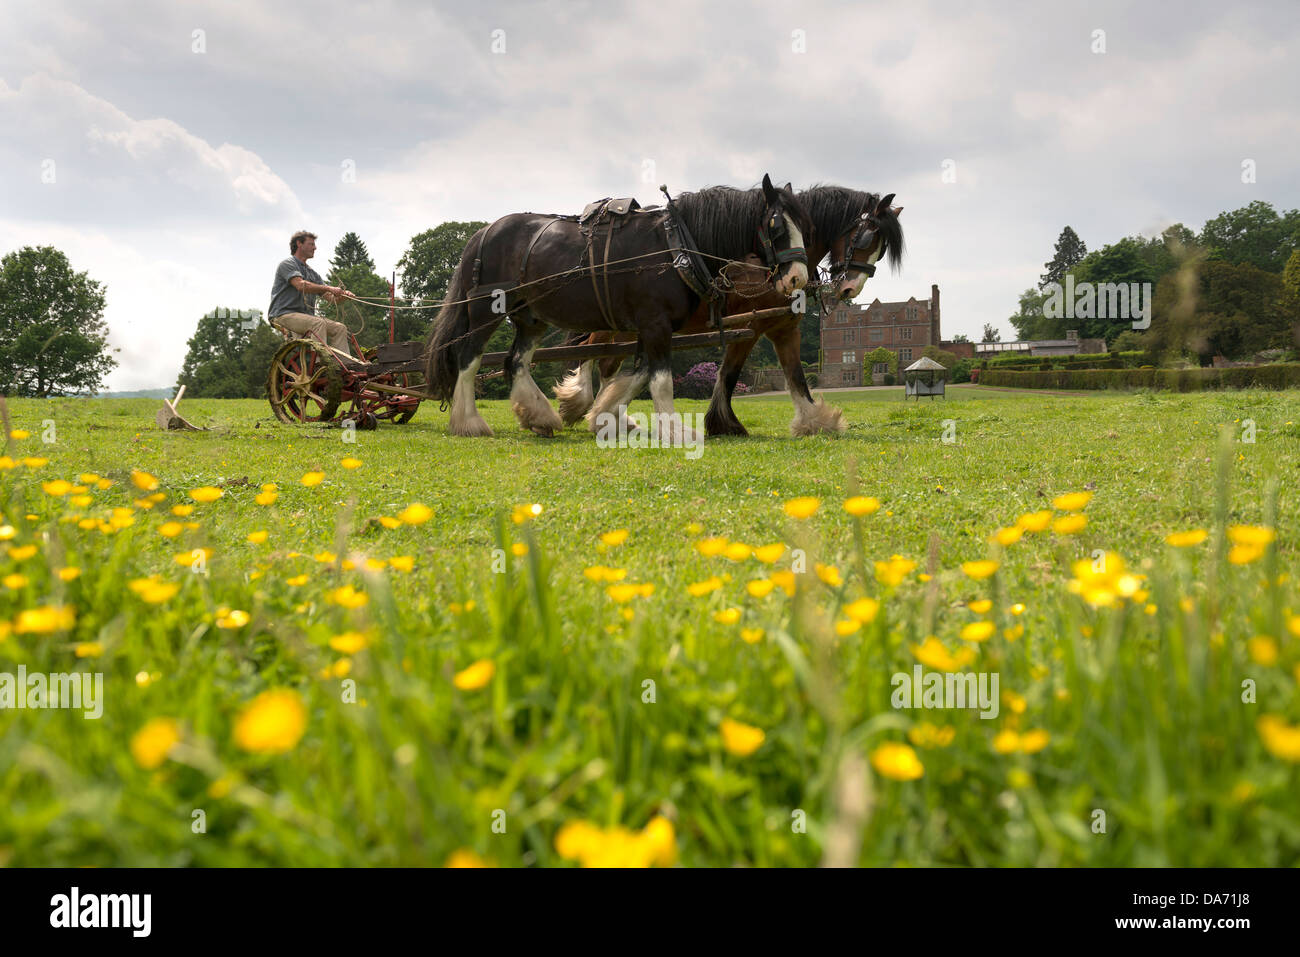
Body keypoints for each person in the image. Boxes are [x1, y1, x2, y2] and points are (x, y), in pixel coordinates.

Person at [268, 231, 370, 368]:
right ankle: (320, 365)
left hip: (304, 317)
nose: (315, 248)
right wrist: (329, 288)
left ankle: (344, 367)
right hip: (283, 314)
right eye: (311, 244)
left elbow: (329, 298)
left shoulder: (312, 273)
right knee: (318, 324)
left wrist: (343, 296)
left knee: (340, 328)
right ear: (299, 244)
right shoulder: (287, 264)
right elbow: (300, 285)